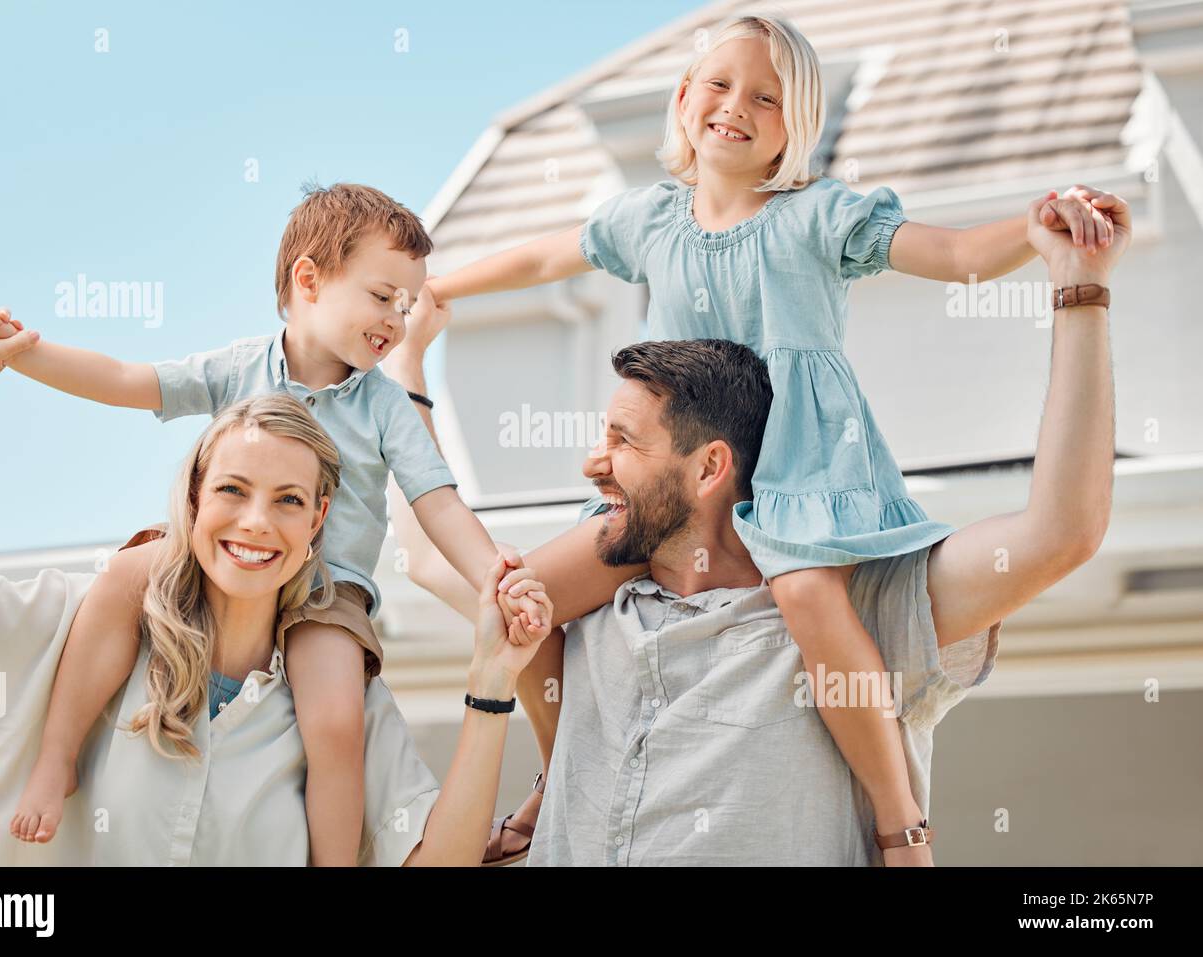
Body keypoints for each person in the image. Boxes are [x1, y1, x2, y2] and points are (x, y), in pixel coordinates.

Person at [410, 14, 1118, 863]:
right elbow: (538, 260)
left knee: (809, 598)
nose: (735, 105)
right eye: (718, 83)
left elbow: (954, 249)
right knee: (523, 597)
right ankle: (556, 773)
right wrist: (432, 292)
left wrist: (1040, 236)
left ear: (799, 129)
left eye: (767, 97)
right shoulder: (649, 222)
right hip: (679, 498)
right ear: (680, 100)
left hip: (795, 473)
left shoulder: (814, 218)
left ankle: (899, 821)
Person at [0, 183, 543, 861]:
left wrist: (494, 574)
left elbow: (438, 501)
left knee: (337, 721)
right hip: (218, 564)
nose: (397, 320)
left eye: (408, 307)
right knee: (121, 573)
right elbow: (126, 378)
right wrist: (21, 351)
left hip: (327, 591)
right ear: (310, 280)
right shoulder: (242, 368)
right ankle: (56, 758)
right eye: (383, 297)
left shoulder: (382, 404)